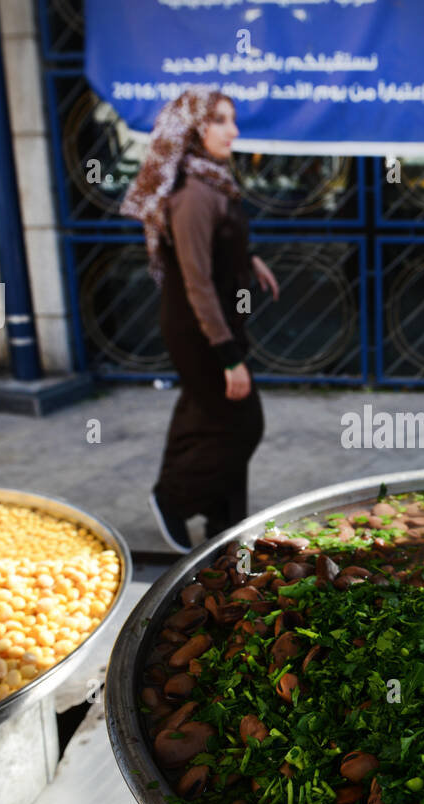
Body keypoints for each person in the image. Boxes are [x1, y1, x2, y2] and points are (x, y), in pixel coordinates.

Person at [121, 91, 279, 552]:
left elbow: (217, 244)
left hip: (216, 322)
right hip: (201, 330)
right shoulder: (192, 195)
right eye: (222, 121)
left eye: (233, 120)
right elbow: (197, 282)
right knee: (241, 423)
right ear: (194, 131)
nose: (234, 130)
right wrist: (229, 357)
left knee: (204, 415)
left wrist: (249, 259)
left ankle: (223, 528)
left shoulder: (212, 183)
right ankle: (173, 498)